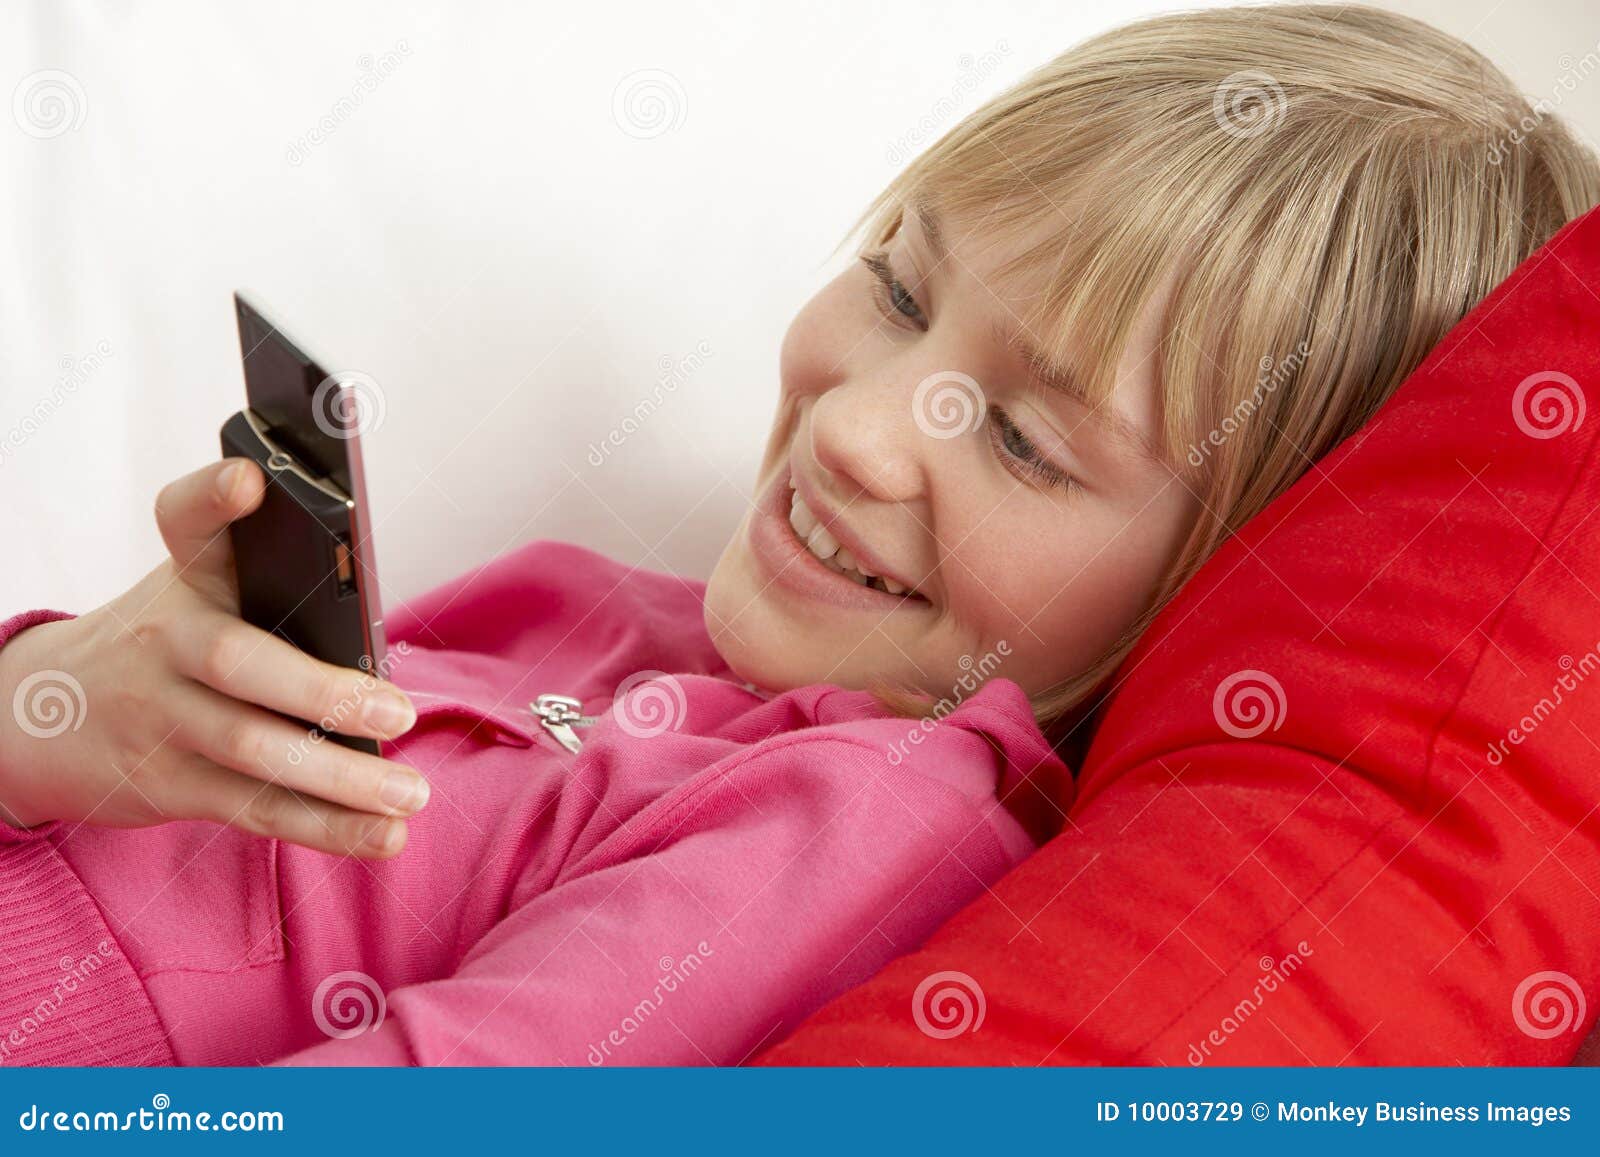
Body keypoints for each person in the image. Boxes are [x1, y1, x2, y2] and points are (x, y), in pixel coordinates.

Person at [1, 3, 1595, 1065]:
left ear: (1219, 599)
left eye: (1029, 443)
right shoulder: (597, 607)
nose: (856, 422)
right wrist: (60, 704)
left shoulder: (879, 818)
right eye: (899, 285)